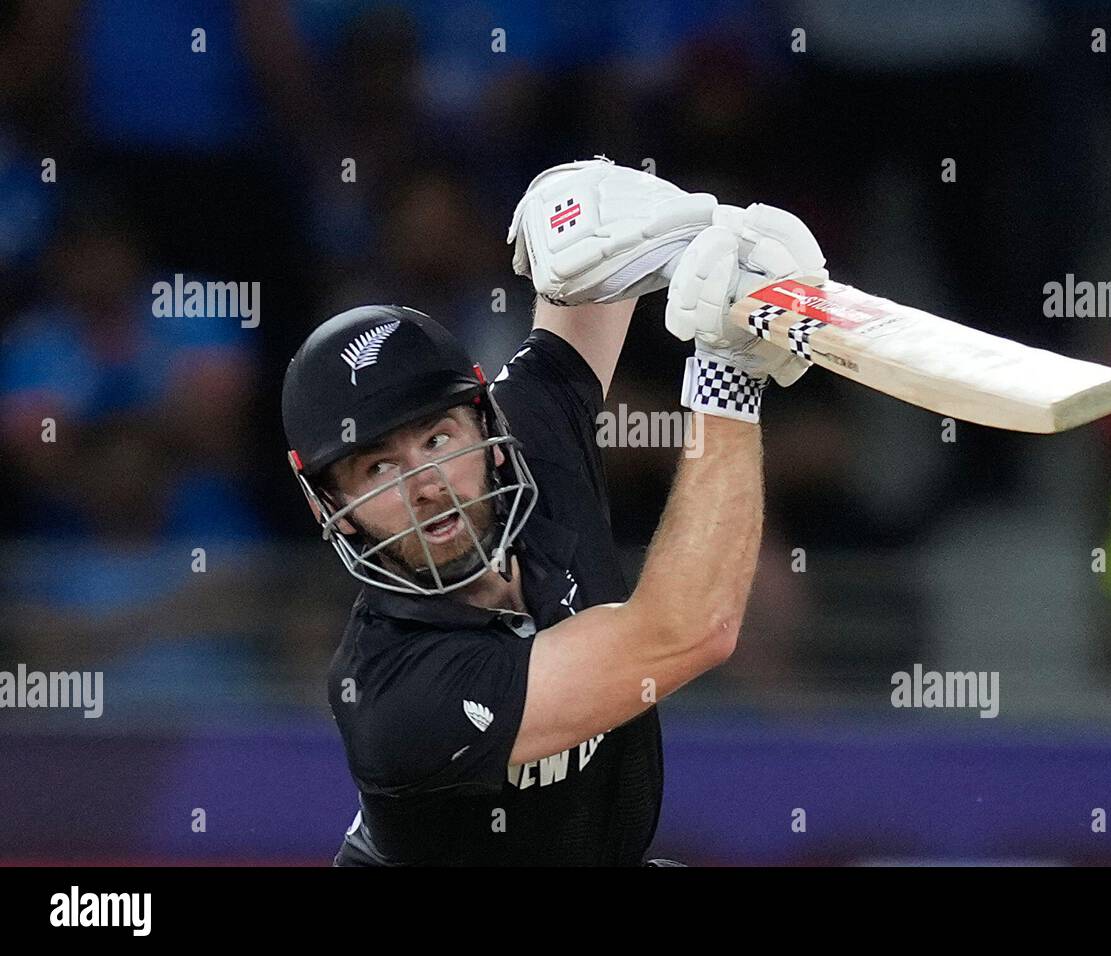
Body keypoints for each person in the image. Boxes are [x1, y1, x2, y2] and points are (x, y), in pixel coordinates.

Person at [280, 158, 825, 865]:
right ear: (335, 506)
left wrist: (598, 212)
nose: (425, 485)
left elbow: (585, 282)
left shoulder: (528, 438)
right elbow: (690, 633)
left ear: (485, 426)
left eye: (438, 438)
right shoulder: (393, 692)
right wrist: (729, 371)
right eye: (378, 467)